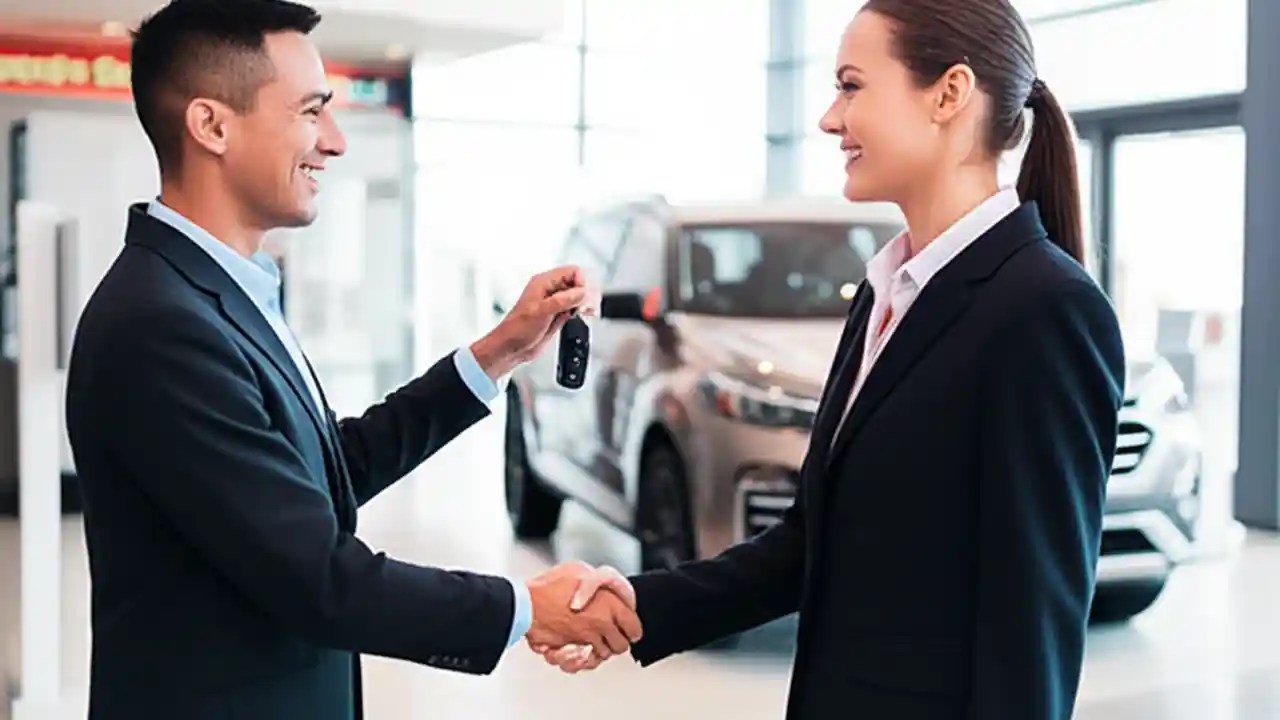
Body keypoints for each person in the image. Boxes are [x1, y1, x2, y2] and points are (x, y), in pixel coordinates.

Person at [538, 1, 1126, 718]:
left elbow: (1031, 620)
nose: (829, 119)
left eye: (852, 86)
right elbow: (814, 542)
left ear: (949, 93)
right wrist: (641, 603)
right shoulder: (887, 292)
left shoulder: (1043, 308)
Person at [64, 1, 639, 718]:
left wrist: (499, 354)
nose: (334, 142)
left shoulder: (219, 291)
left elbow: (319, 476)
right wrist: (526, 608)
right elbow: (316, 577)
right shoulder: (160, 322)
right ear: (212, 125)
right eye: (312, 111)